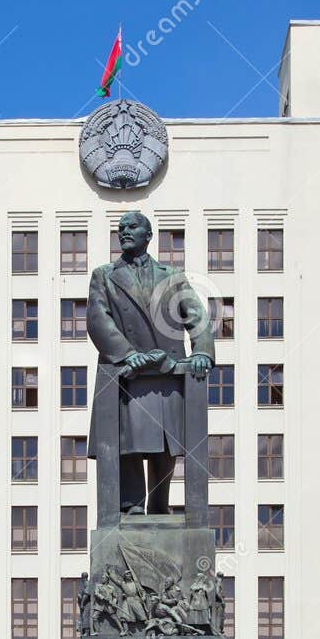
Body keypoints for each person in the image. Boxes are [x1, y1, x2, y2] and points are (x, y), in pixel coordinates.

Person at [86, 211, 215, 514]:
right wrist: (129, 354)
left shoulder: (170, 275)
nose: (124, 232)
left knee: (165, 443)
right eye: (120, 228)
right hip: (127, 373)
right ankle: (132, 506)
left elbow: (195, 315)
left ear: (148, 235)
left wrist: (201, 352)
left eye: (132, 227)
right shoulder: (104, 275)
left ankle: (159, 504)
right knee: (127, 441)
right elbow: (97, 319)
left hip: (166, 372)